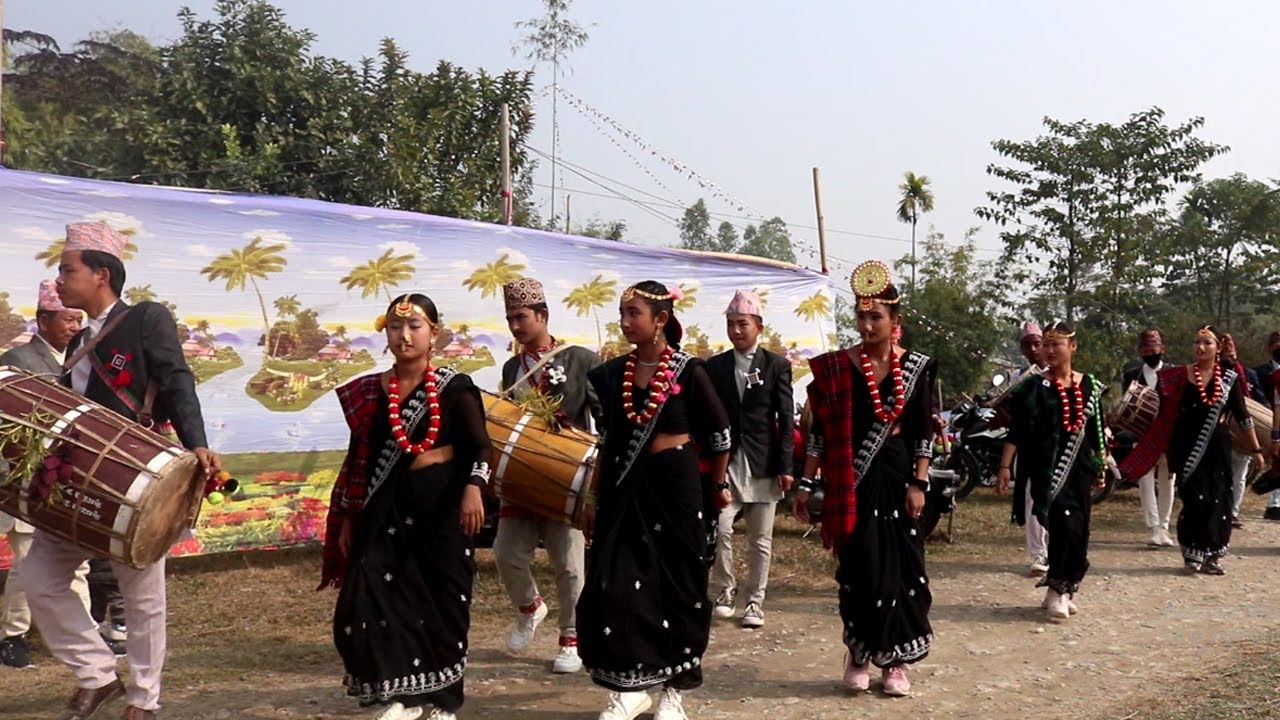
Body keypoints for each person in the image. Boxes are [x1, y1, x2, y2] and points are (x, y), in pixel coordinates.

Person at [21, 221, 221, 720]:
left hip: (132, 474)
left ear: (102, 275)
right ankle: (97, 674)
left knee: (142, 594)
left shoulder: (146, 318)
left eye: (68, 270)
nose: (61, 279)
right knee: (39, 578)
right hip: (76, 477)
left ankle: (144, 700)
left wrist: (196, 444)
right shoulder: (77, 340)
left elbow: (176, 378)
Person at [320, 294, 490, 720]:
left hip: (442, 517)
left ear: (435, 334)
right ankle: (404, 695)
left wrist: (474, 487)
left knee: (442, 605)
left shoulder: (455, 389)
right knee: (370, 604)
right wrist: (347, 517)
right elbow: (357, 458)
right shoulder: (370, 391)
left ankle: (444, 703)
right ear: (386, 334)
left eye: (415, 326)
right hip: (384, 517)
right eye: (396, 328)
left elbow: (481, 447)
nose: (405, 335)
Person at [578, 281, 732, 720]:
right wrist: (592, 494)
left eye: (635, 314)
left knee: (678, 586)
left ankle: (672, 691)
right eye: (623, 313)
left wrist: (716, 487)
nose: (626, 322)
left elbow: (720, 438)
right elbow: (606, 444)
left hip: (677, 491)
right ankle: (631, 685)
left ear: (661, 319)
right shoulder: (612, 376)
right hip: (625, 491)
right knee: (618, 584)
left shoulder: (689, 371)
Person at [793, 261, 936, 697]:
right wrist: (805, 483)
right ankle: (858, 651)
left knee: (901, 567)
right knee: (857, 569)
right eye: (861, 315)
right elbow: (819, 433)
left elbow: (922, 432)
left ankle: (895, 661)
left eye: (877, 316)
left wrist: (919, 483)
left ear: (897, 322)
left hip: (895, 476)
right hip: (847, 481)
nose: (868, 324)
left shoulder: (916, 368)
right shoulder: (835, 369)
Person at [495, 277, 601, 673]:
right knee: (506, 553)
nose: (516, 326)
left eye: (522, 317)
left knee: (570, 565)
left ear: (542, 315)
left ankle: (572, 639)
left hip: (566, 479)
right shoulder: (511, 368)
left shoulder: (580, 360)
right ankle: (530, 608)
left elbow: (601, 420)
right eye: (510, 319)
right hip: (521, 479)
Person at [1120, 326, 1264, 576]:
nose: (1200, 347)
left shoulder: (1228, 377)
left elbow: (1242, 416)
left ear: (1218, 348)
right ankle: (1192, 551)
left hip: (1217, 447)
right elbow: (1163, 413)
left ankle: (1213, 554)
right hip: (1186, 446)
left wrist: (1257, 450)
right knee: (1195, 497)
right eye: (1197, 342)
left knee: (1218, 499)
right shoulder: (1178, 376)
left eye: (1207, 343)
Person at [0, 280, 91, 670]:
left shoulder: (82, 360)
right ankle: (12, 636)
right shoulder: (17, 360)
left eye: (79, 320)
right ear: (43, 320)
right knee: (27, 562)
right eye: (68, 319)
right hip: (26, 475)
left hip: (65, 477)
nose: (75, 327)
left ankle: (84, 632)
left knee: (76, 560)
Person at [997, 322, 1105, 620]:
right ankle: (1057, 588)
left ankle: (1064, 587)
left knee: (1079, 529)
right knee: (1063, 526)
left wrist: (1102, 461)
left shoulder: (1090, 386)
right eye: (1046, 344)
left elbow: (1096, 430)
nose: (1049, 350)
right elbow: (1016, 431)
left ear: (1073, 347)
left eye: (1056, 344)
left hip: (1080, 468)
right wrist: (1006, 466)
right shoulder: (1032, 388)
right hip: (1045, 470)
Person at [705, 290, 794, 629]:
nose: (736, 331)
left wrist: (786, 466)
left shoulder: (776, 365)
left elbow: (786, 418)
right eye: (731, 325)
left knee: (760, 538)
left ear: (759, 326)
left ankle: (755, 601)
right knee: (721, 526)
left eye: (742, 324)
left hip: (763, 462)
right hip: (727, 461)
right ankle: (725, 591)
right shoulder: (716, 366)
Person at [1120, 329, 1178, 547]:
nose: (1150, 351)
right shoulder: (1132, 375)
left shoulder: (1174, 373)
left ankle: (1164, 526)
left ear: (1162, 349)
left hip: (1168, 436)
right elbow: (1128, 404)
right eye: (1146, 348)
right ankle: (1153, 528)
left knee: (1167, 481)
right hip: (1143, 435)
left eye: (1154, 347)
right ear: (1140, 351)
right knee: (1145, 481)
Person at [1009, 321, 1050, 576]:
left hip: (1055, 446)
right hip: (1027, 447)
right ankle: (1038, 553)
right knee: (1031, 498)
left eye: (1038, 343)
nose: (1033, 349)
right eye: (1028, 345)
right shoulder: (1017, 379)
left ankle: (1056, 551)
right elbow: (1012, 416)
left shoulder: (1060, 373)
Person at [1219, 334, 1260, 529]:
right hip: (1220, 432)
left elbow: (1257, 401)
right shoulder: (1208, 373)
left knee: (1240, 475)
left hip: (1243, 432)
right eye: (1224, 347)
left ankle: (1232, 512)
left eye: (1231, 347)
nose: (1228, 350)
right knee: (1221, 474)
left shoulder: (1248, 375)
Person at [1251, 331, 1280, 521]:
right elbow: (1276, 405)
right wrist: (1275, 433)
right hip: (1267, 423)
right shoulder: (1268, 374)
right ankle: (1274, 505)